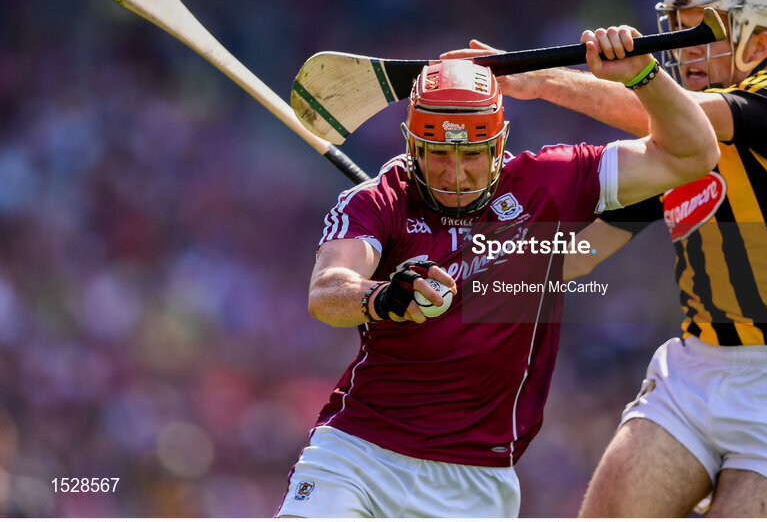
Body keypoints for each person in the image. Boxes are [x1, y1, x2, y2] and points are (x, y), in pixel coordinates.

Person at [444, 0, 767, 517]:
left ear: (758, 43)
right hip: (694, 372)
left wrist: (544, 81)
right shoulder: (673, 154)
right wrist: (474, 268)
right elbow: (582, 253)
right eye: (677, 32)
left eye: (700, 35)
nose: (686, 52)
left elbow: (677, 114)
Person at [275, 26, 720, 517]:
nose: (455, 173)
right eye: (439, 153)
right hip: (356, 453)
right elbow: (328, 291)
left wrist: (643, 76)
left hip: (476, 482)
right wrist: (382, 297)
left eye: (472, 155)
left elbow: (693, 154)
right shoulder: (379, 199)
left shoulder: (550, 182)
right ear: (411, 144)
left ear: (499, 144)